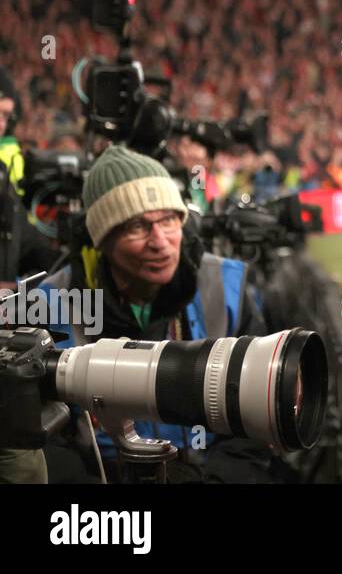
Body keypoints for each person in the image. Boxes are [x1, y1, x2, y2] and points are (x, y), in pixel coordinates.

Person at [37, 144, 266, 482]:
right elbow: (42, 445)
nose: (160, 241)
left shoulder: (223, 286)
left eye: (169, 220)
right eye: (137, 226)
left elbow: (260, 418)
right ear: (103, 240)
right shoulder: (49, 307)